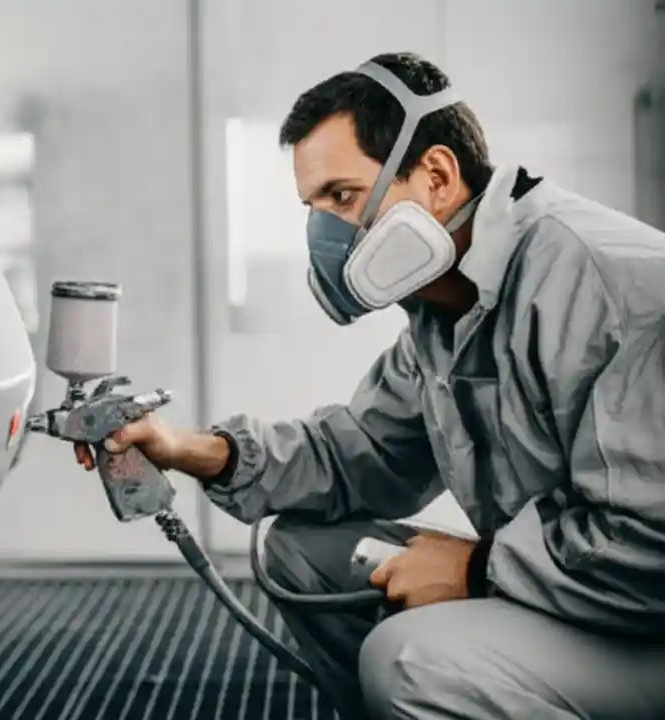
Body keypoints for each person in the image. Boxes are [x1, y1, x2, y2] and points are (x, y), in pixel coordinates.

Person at [74, 52, 665, 719]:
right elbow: (360, 454)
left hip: (646, 623)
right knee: (303, 554)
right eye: (313, 207)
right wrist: (189, 449)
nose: (326, 232)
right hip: (577, 593)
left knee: (409, 662)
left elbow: (652, 539)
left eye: (343, 197)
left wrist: (477, 569)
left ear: (437, 176)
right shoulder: (443, 313)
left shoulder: (610, 286)